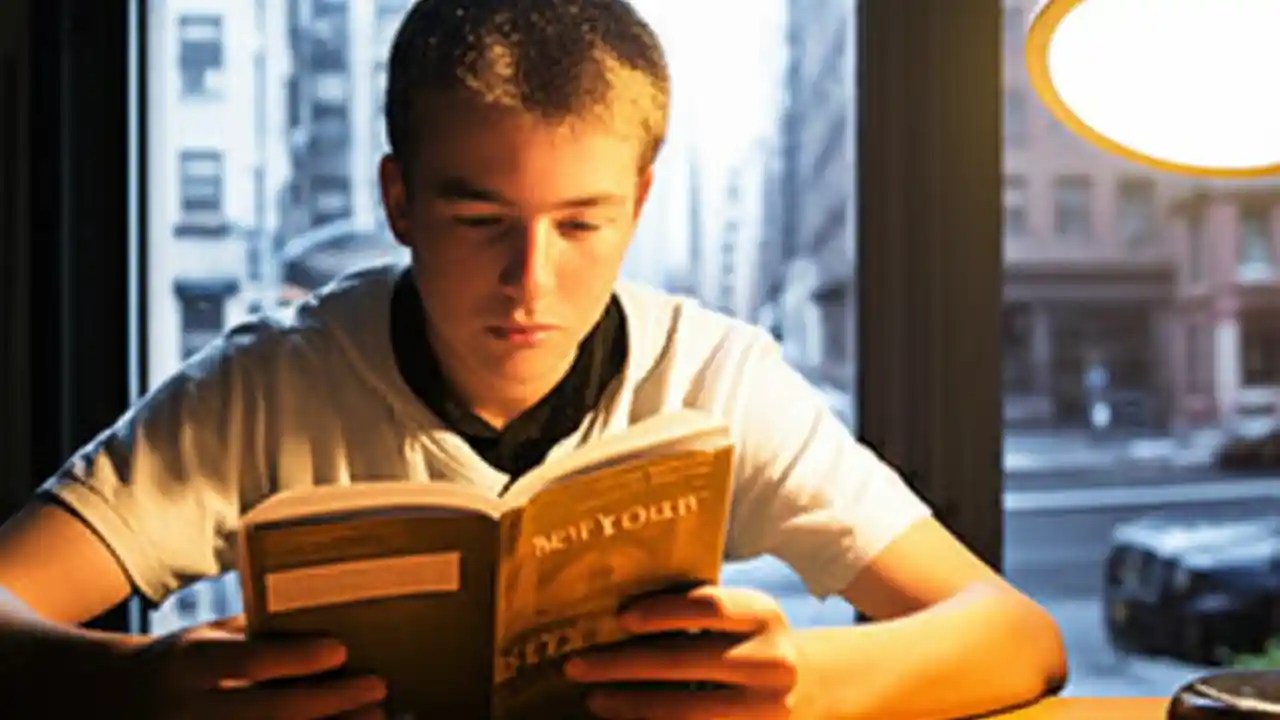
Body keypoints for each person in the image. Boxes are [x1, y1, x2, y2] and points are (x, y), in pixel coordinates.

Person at [0, 0, 1068, 717]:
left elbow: (1016, 638)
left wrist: (795, 680)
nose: (530, 282)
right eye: (478, 220)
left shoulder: (714, 378)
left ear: (638, 203)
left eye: (579, 225)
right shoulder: (269, 383)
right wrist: (141, 682)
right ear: (399, 200)